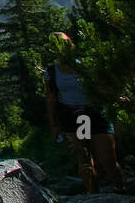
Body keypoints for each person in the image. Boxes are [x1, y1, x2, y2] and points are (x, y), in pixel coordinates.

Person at [44, 32, 124, 193]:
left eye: (65, 44)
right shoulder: (52, 72)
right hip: (75, 117)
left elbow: (104, 86)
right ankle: (93, 196)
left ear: (71, 45)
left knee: (108, 160)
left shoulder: (87, 65)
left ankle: (120, 190)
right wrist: (53, 124)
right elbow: (51, 98)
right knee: (85, 160)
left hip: (95, 114)